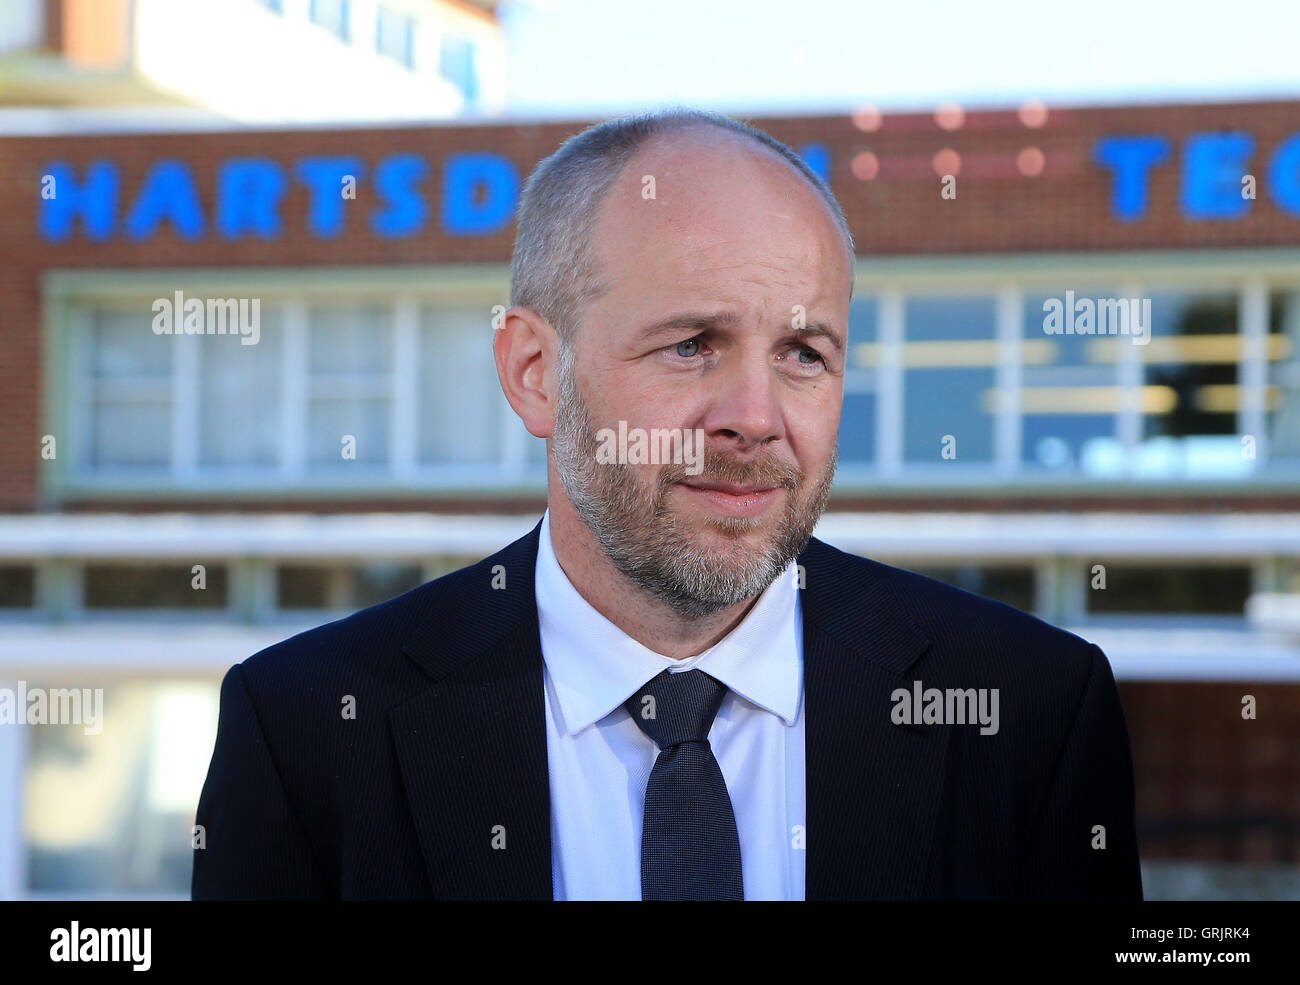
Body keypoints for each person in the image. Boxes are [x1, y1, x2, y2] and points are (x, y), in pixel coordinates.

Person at [192, 108, 1143, 900]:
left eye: (804, 354)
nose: (755, 420)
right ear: (534, 373)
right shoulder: (306, 730)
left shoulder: (1031, 715)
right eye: (692, 344)